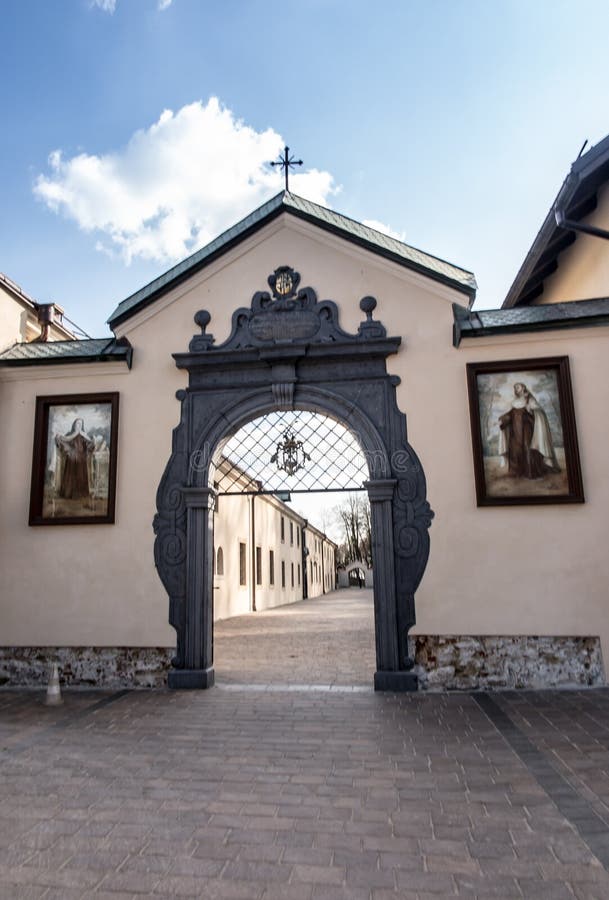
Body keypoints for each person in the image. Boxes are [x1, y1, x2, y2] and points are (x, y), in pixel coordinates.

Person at [498, 383, 560, 479]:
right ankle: (516, 472)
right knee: (515, 449)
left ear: (523, 388)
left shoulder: (529, 400)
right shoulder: (514, 402)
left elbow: (539, 412)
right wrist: (503, 419)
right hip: (515, 431)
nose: (515, 389)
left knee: (528, 449)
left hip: (527, 430)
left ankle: (530, 473)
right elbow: (510, 414)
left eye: (517, 387)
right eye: (515, 388)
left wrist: (531, 410)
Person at [53, 417, 95, 500]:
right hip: (71, 459)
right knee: (70, 477)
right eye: (77, 423)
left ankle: (81, 495)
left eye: (80, 424)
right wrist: (58, 439)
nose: (79, 426)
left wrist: (93, 442)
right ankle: (68, 494)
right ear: (74, 424)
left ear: (82, 425)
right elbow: (63, 443)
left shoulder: (83, 435)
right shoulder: (69, 434)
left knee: (81, 476)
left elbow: (89, 446)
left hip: (81, 459)